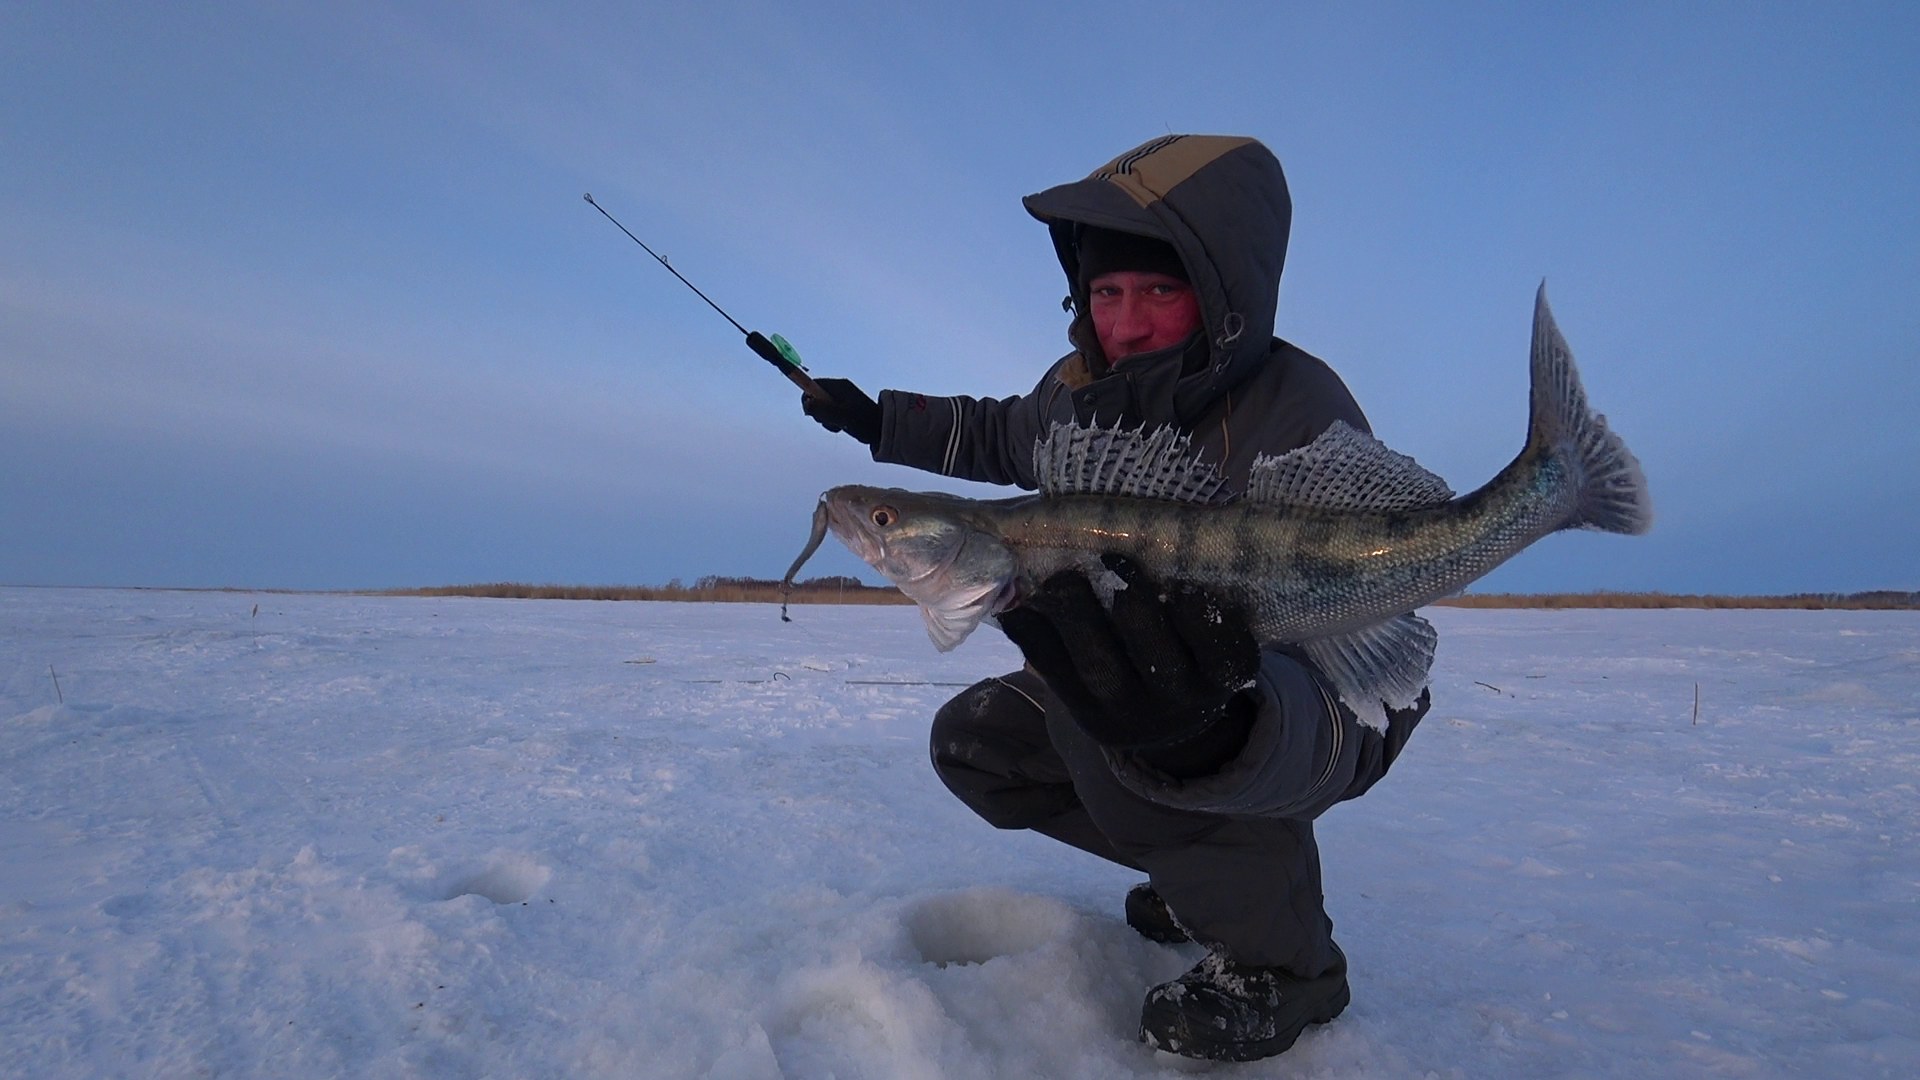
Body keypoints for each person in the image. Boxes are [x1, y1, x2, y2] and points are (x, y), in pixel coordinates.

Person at [800, 134, 1427, 1062]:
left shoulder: (1295, 406)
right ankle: (1193, 864)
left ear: (1222, 295)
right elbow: (993, 432)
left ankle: (1288, 962)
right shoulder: (1077, 395)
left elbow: (1375, 612)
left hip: (1336, 691)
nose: (1125, 324)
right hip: (1138, 682)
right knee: (983, 745)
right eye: (1105, 293)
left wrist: (1219, 724)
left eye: (1160, 291)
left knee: (1131, 744)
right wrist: (879, 418)